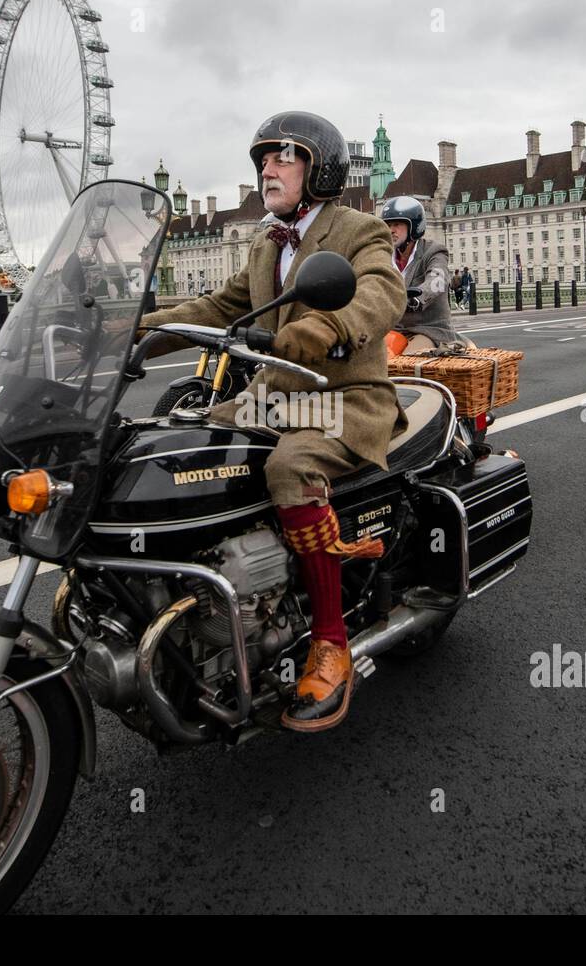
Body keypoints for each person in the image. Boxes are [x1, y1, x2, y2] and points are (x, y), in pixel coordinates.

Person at [136, 110, 407, 730]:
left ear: (320, 168)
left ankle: (331, 641)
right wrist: (135, 335)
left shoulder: (359, 229)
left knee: (290, 467)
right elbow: (217, 306)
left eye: (283, 155)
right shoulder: (264, 243)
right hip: (273, 397)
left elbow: (381, 292)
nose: (267, 167)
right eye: (262, 158)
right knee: (176, 442)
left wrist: (331, 325)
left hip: (343, 398)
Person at [381, 195, 458, 353]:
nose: (390, 230)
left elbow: (438, 279)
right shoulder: (382, 255)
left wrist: (417, 298)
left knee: (409, 361)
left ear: (414, 227)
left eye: (397, 224)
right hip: (394, 329)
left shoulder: (433, 251)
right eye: (387, 225)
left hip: (428, 329)